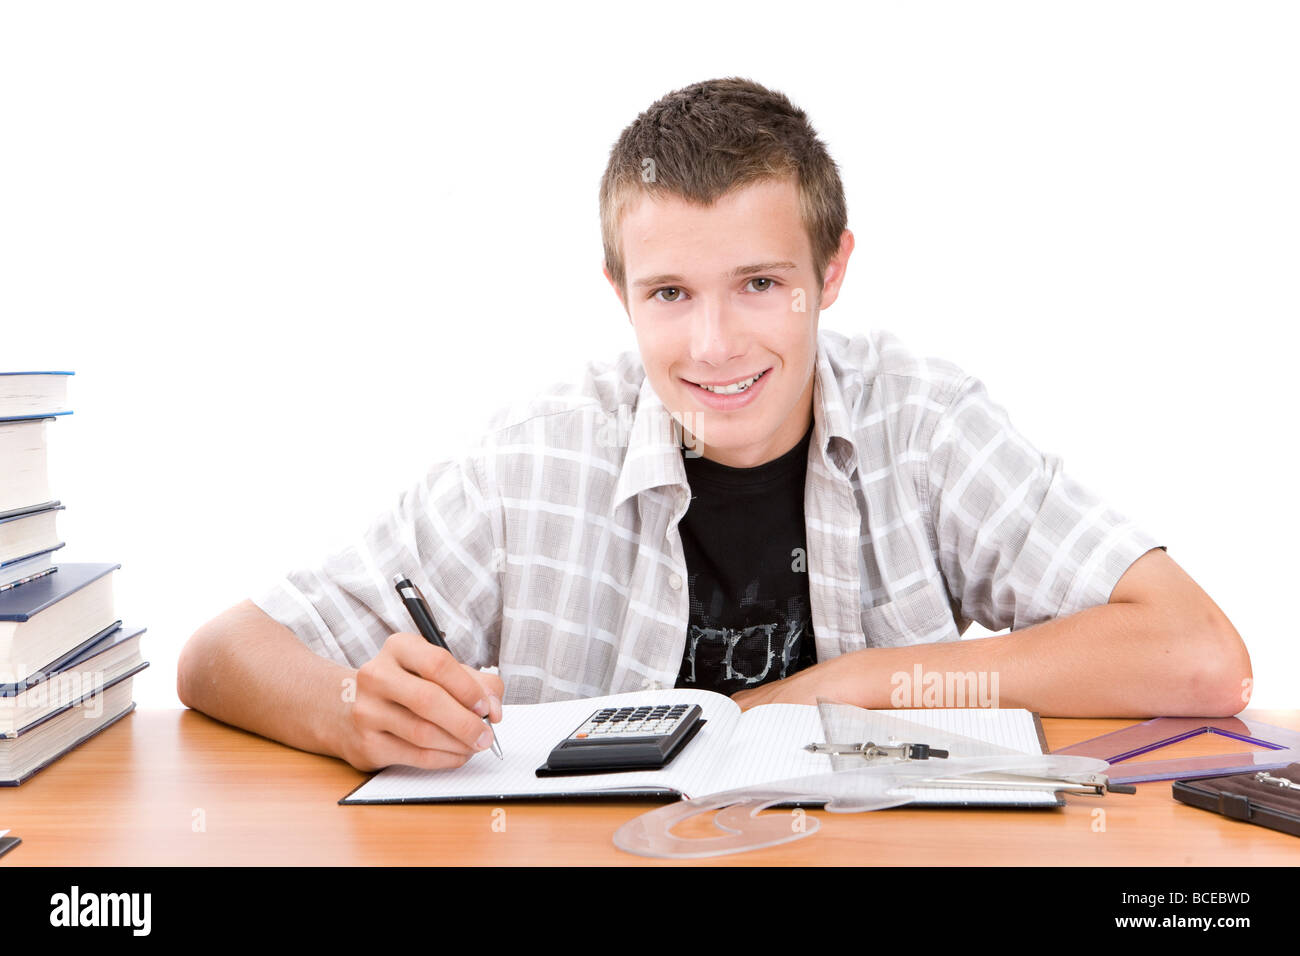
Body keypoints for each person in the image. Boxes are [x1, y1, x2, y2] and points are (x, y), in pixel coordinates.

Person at [177, 77, 1251, 774]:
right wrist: (346, 707)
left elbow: (1199, 659)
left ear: (831, 272)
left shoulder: (921, 424)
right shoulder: (532, 461)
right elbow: (222, 652)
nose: (716, 346)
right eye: (670, 295)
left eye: (758, 282)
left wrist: (848, 684)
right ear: (620, 291)